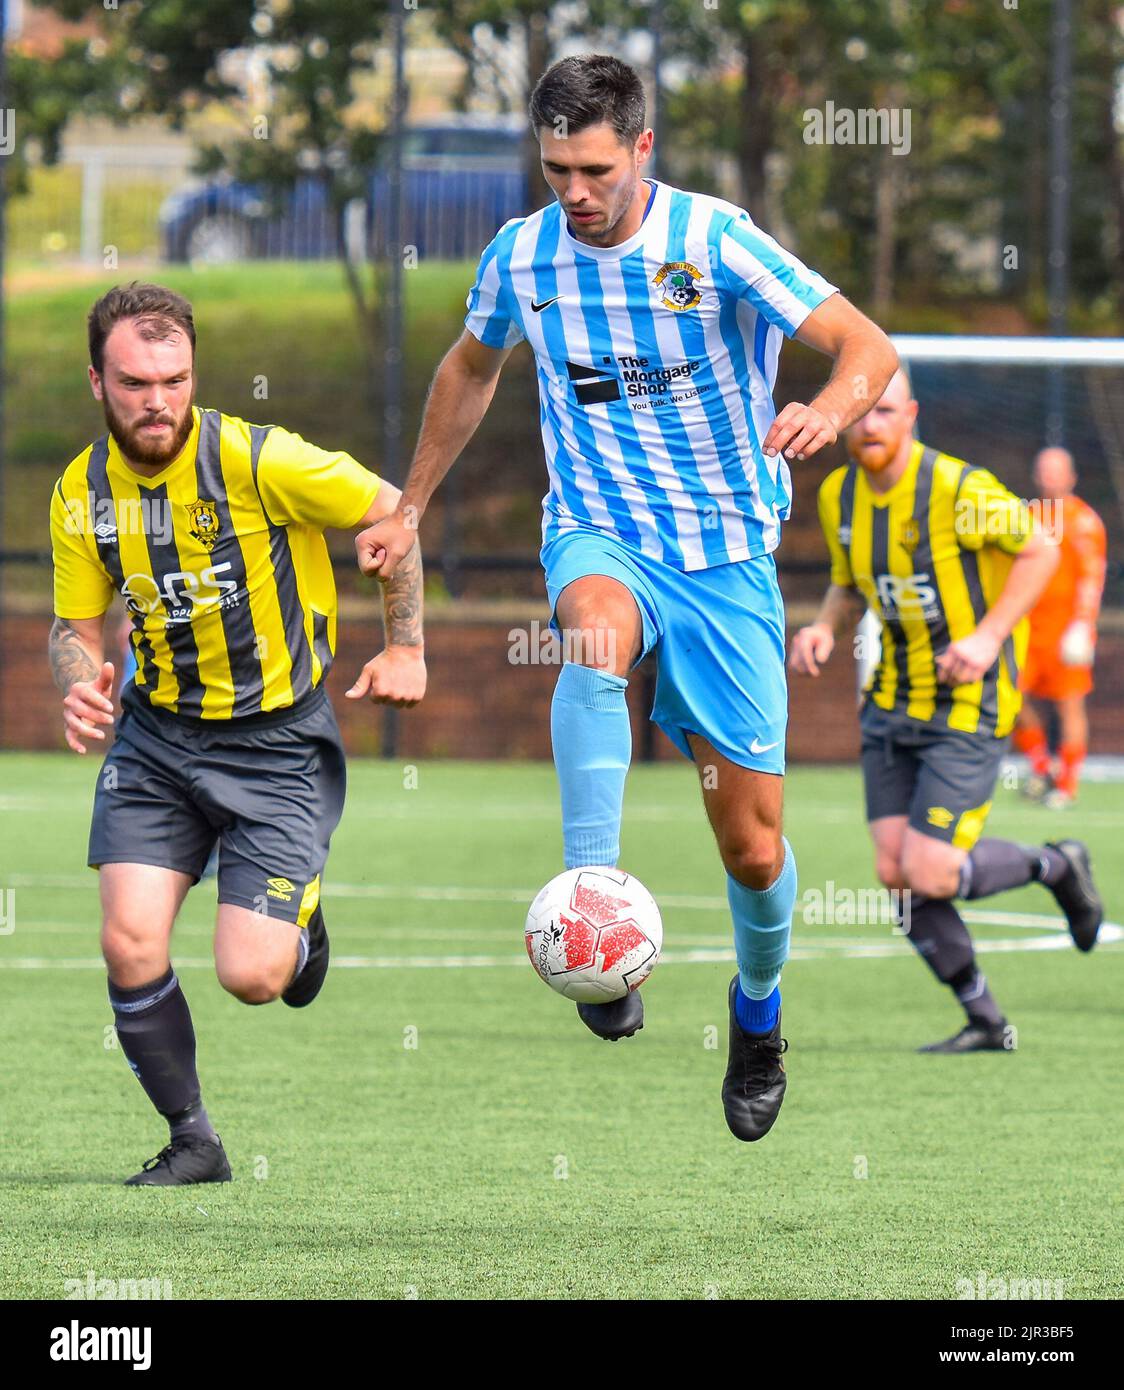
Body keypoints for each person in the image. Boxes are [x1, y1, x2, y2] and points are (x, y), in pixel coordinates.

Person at [355, 54, 898, 1141]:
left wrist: (829, 410)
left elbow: (863, 346)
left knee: (751, 847)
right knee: (592, 635)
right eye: (554, 167)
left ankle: (756, 1017)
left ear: (641, 149)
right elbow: (470, 368)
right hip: (598, 526)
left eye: (593, 168)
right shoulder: (522, 256)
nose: (572, 190)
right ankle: (591, 910)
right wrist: (409, 503)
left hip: (726, 557)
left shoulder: (713, 240)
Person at [49, 282, 426, 1185]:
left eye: (174, 379)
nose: (157, 401)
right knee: (129, 938)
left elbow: (393, 515)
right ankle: (195, 1141)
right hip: (157, 739)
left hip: (276, 740)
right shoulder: (79, 494)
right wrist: (76, 687)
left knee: (253, 977)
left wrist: (405, 647)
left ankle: (300, 926)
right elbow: (73, 627)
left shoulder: (261, 461)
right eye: (135, 382)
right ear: (97, 381)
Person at [791, 372, 1104, 1053]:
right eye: (860, 415)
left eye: (886, 412)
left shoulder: (958, 489)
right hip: (890, 701)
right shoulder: (838, 494)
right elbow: (849, 581)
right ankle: (987, 1020)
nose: (870, 425)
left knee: (929, 870)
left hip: (968, 702)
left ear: (912, 417)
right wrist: (822, 628)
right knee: (894, 875)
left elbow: (1039, 550)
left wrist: (988, 635)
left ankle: (1056, 865)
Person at [1013, 448, 1107, 808]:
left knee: (1070, 706)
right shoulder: (1026, 516)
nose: (1050, 478)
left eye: (1057, 472)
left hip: (1066, 630)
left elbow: (1091, 576)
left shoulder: (1083, 521)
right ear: (1036, 476)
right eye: (1044, 471)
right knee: (1012, 699)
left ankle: (1067, 785)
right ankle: (1042, 767)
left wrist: (1082, 625)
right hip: (1026, 628)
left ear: (1071, 477)